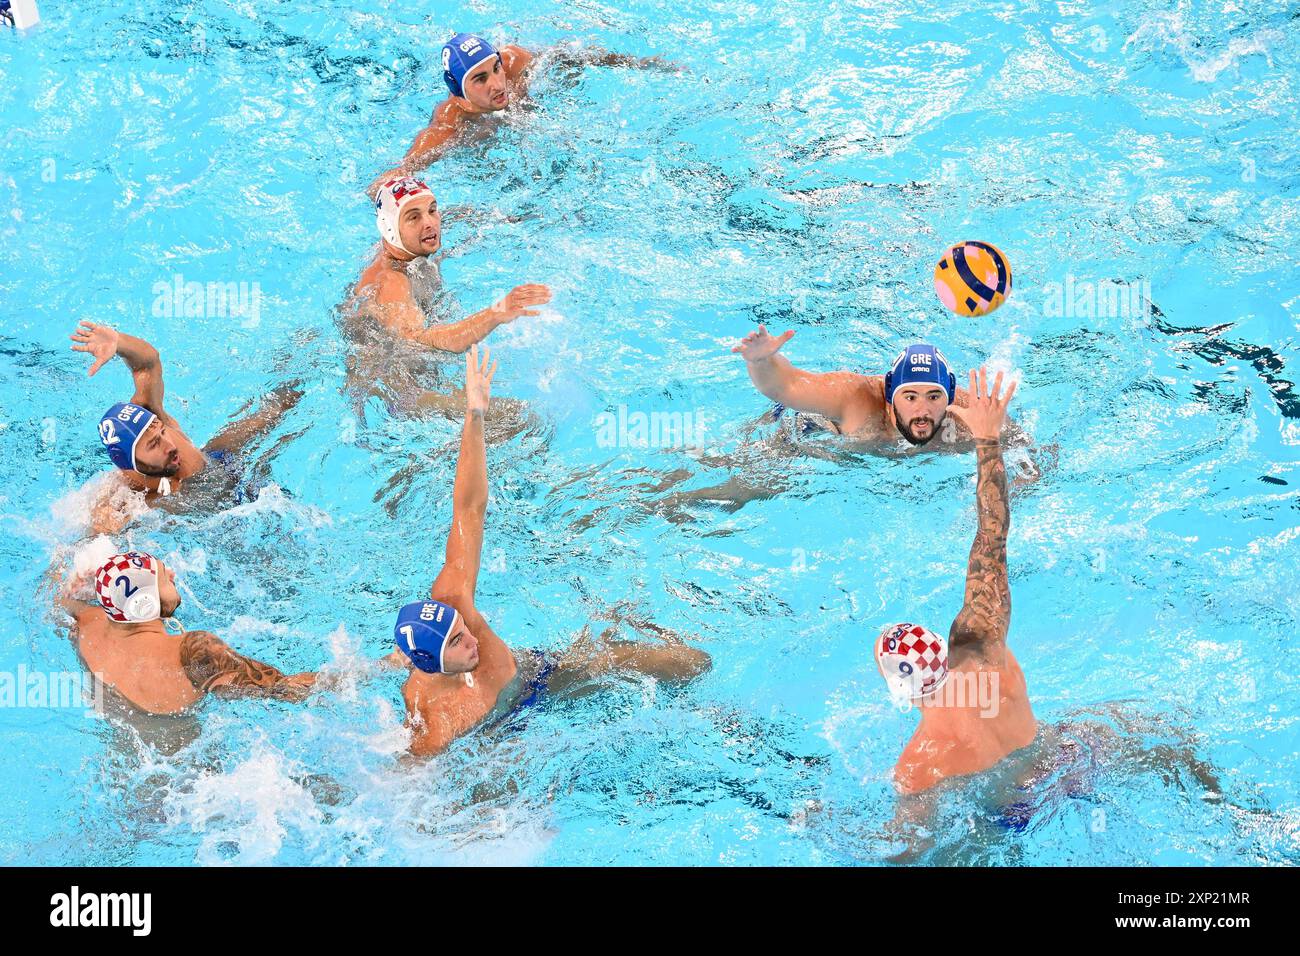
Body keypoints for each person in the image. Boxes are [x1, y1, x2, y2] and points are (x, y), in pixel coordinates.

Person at [392, 345, 710, 756]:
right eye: (456, 642)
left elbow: (469, 509)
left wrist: (475, 417)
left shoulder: (454, 603)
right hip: (501, 732)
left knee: (693, 663)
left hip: (540, 677)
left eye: (460, 628)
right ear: (429, 663)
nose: (472, 638)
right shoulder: (434, 725)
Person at [875, 367, 1036, 794]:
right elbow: (992, 535)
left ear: (901, 693)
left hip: (1004, 812)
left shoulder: (921, 760)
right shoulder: (988, 652)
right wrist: (987, 439)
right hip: (1052, 765)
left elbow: (905, 851)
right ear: (944, 651)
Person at [71, 321, 301, 534]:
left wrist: (119, 342)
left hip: (220, 461)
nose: (169, 444)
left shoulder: (149, 417)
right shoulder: (123, 500)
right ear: (129, 464)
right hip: (214, 521)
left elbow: (147, 364)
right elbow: (90, 547)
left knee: (284, 398)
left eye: (161, 431)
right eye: (153, 444)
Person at [368, 32, 677, 188]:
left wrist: (637, 64)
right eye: (480, 78)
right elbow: (407, 166)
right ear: (459, 91)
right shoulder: (453, 120)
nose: (497, 83)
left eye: (495, 68)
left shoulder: (514, 62)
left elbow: (569, 55)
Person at [53, 549, 320, 715]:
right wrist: (346, 677)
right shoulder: (195, 652)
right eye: (161, 576)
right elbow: (285, 689)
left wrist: (74, 582)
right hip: (188, 777)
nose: (171, 574)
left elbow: (57, 599)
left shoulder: (89, 624)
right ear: (145, 602)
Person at [733, 327, 1034, 452]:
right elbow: (786, 385)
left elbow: (1025, 448)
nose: (922, 410)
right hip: (809, 431)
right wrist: (761, 360)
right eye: (910, 396)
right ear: (890, 395)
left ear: (950, 395)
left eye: (934, 396)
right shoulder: (855, 397)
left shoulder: (968, 415)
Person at [351, 176, 551, 354]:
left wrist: (514, 220)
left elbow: (458, 216)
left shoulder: (398, 246)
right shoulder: (392, 281)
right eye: (414, 217)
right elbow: (419, 341)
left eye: (432, 210)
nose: (430, 223)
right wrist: (495, 313)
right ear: (389, 228)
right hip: (390, 375)